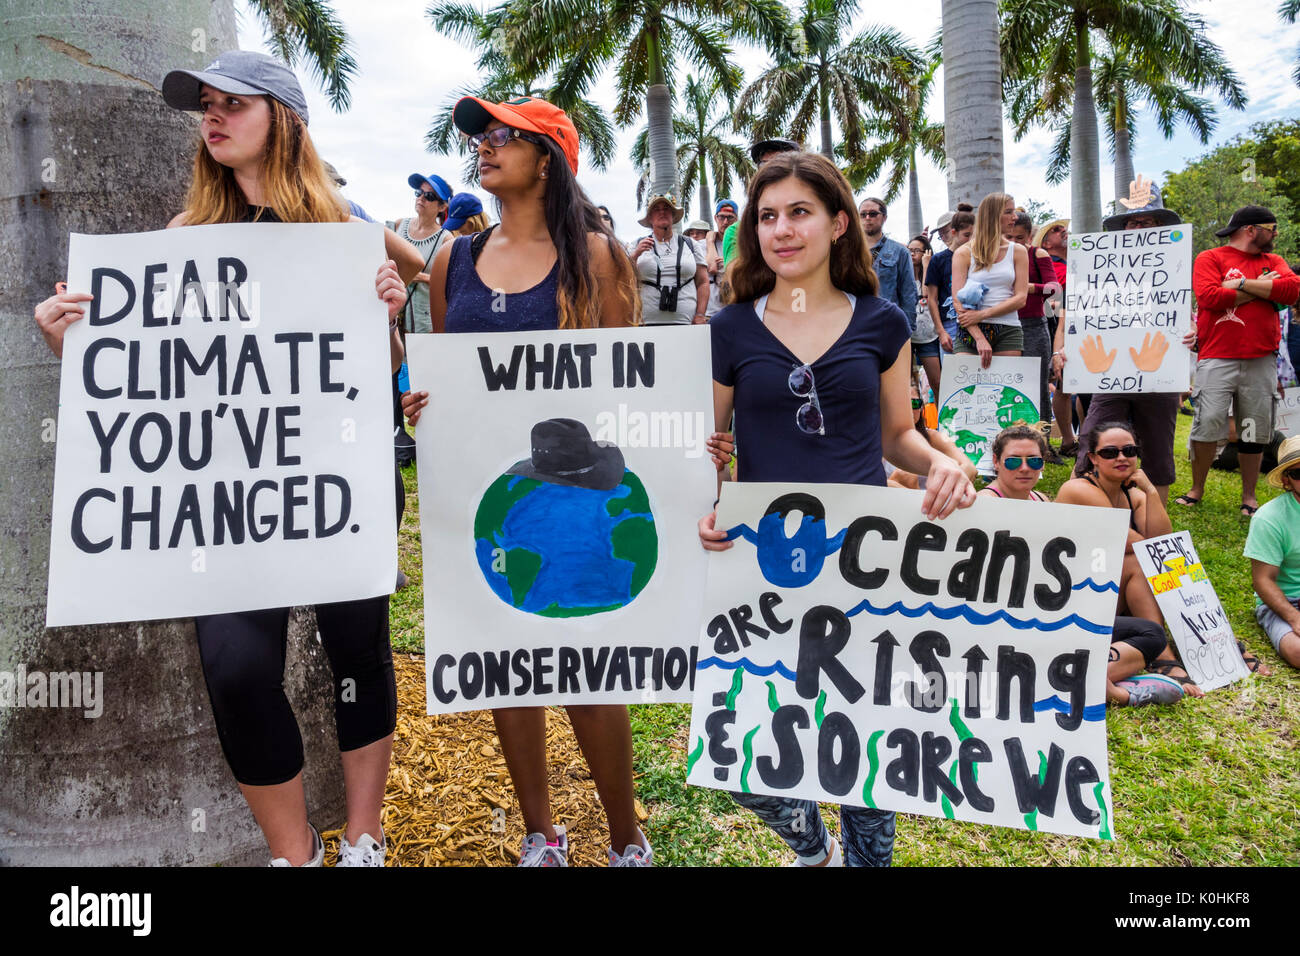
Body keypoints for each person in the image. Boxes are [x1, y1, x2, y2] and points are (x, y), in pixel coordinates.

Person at [35, 50, 424, 867]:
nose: (211, 117)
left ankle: (364, 838)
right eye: (205, 106)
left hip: (334, 483)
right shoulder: (184, 239)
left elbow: (373, 368)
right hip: (228, 499)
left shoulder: (345, 232)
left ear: (283, 119)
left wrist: (386, 315)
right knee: (237, 668)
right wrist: (75, 340)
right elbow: (159, 377)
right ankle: (296, 853)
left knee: (357, 650)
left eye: (232, 104)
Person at [699, 150, 977, 867]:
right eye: (767, 216)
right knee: (747, 755)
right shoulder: (728, 330)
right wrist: (704, 499)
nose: (781, 230)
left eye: (799, 212)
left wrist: (945, 465)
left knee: (868, 748)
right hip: (762, 567)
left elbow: (899, 436)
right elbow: (706, 445)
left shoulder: (882, 322)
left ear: (838, 223)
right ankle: (812, 848)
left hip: (868, 560)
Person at [400, 94, 654, 866]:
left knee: (584, 662)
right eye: (481, 135)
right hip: (496, 490)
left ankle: (625, 835)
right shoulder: (452, 259)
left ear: (549, 159)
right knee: (506, 656)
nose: (486, 145)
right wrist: (422, 402)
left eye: (506, 135)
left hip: (581, 490)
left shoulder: (601, 259)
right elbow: (448, 372)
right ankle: (541, 835)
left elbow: (630, 377)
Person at [979, 426, 1187, 705]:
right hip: (1013, 620)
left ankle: (1069, 677)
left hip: (1058, 609)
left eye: (1035, 461)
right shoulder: (986, 503)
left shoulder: (1041, 501)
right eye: (1014, 461)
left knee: (1151, 634)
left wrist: (1149, 490)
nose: (1025, 468)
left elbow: (1159, 549)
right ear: (996, 462)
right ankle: (1105, 687)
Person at [1056, 423, 1205, 700]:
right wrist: (1148, 542)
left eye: (1129, 450)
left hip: (1106, 594)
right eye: (1110, 452)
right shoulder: (1078, 489)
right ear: (1093, 458)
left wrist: (1150, 491)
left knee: (1156, 560)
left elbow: (1162, 544)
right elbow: (1134, 543)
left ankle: (1169, 644)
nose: (1121, 458)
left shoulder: (1131, 492)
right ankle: (1162, 656)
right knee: (1138, 561)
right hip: (1070, 597)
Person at [1068, 180, 1188, 504]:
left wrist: (1190, 336)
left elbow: (1184, 313)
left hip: (1159, 374)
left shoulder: (1177, 265)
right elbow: (1082, 313)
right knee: (1092, 436)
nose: (1138, 228)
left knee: (1157, 448)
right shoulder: (1102, 265)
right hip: (1111, 372)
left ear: (1160, 225)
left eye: (1146, 222)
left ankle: (1154, 526)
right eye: (1132, 222)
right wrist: (1066, 350)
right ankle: (1077, 511)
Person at [1177, 205, 1300, 516]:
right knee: (1206, 425)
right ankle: (1196, 489)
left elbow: (1291, 291)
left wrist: (1241, 284)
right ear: (1250, 230)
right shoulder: (1210, 258)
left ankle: (1249, 496)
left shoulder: (1274, 260)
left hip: (1261, 359)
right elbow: (1209, 298)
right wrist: (1264, 288)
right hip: (1216, 356)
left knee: (1253, 430)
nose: (1275, 234)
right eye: (1271, 228)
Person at [951, 193, 1027, 368]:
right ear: (993, 216)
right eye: (1008, 212)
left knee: (1005, 392)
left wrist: (982, 314)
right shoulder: (963, 252)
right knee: (967, 391)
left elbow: (1021, 297)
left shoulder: (1018, 251)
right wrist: (979, 337)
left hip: (1007, 328)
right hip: (970, 329)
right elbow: (957, 300)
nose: (1014, 217)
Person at [1244, 435, 1300, 670]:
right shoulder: (1270, 518)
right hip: (1285, 603)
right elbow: (1263, 581)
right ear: (1287, 481)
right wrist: (1294, 618)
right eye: (1298, 473)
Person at [1007, 211, 1059, 449]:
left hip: (1034, 326)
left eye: (1019, 238)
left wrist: (1027, 288)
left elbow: (1053, 288)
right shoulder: (999, 256)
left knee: (1038, 386)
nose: (1013, 242)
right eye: (1008, 237)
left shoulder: (1037, 254)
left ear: (1030, 236)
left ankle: (1044, 444)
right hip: (1006, 326)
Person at [887, 372, 978, 489]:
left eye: (914, 403)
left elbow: (969, 467)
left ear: (921, 407)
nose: (909, 409)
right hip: (888, 500)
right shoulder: (880, 440)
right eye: (902, 404)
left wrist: (941, 490)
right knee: (904, 475)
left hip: (930, 500)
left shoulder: (933, 437)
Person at [630, 194, 708, 325]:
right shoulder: (636, 245)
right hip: (645, 325)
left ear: (673, 215)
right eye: (657, 209)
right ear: (650, 218)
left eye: (666, 208)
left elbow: (703, 281)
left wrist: (700, 314)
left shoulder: (691, 244)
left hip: (685, 324)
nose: (662, 212)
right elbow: (621, 278)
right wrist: (636, 254)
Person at [392, 171, 454, 334]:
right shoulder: (399, 225)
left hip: (424, 321)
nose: (421, 198)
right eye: (419, 193)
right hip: (393, 314)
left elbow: (451, 283)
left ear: (442, 206)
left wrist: (416, 275)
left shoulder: (446, 239)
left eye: (430, 196)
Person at [721, 140, 800, 267]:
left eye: (781, 163)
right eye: (764, 165)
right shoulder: (738, 232)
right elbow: (735, 280)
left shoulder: (817, 220)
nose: (773, 172)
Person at [924, 204, 973, 388]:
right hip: (951, 325)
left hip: (979, 322)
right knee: (956, 384)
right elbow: (932, 299)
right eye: (940, 233)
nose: (944, 236)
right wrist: (941, 331)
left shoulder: (977, 256)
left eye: (946, 231)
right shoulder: (939, 260)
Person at [858, 196, 918, 328]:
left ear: (884, 217)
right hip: (855, 324)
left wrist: (907, 329)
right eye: (863, 214)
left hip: (887, 324)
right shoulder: (849, 250)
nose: (867, 218)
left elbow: (908, 293)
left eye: (873, 214)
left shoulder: (900, 251)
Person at [907, 235, 941, 393]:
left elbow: (927, 294)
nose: (912, 253)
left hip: (929, 335)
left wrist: (927, 265)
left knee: (937, 382)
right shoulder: (902, 274)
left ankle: (943, 417)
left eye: (916, 250)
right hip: (906, 336)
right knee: (906, 383)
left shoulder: (932, 271)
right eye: (909, 250)